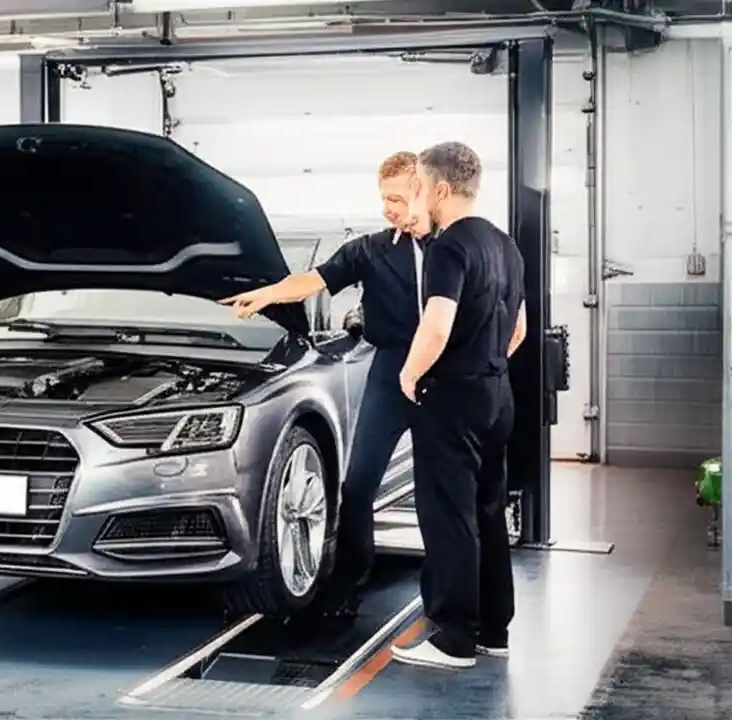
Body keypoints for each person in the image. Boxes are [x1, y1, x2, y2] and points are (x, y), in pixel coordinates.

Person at [219, 151, 433, 620]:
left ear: (423, 191)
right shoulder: (371, 249)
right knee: (357, 489)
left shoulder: (453, 246)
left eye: (396, 198)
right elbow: (312, 281)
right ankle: (348, 585)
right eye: (383, 199)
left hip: (443, 374)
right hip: (388, 372)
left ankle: (446, 595)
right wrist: (266, 295)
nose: (388, 209)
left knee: (443, 491)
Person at [388, 141, 527, 670]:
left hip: (453, 398)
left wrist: (410, 373)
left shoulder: (449, 247)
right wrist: (486, 360)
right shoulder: (506, 246)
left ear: (441, 189)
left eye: (419, 186)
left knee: (448, 515)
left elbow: (437, 324)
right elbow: (518, 328)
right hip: (497, 394)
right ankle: (494, 629)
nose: (418, 195)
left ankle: (453, 638)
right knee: (488, 512)